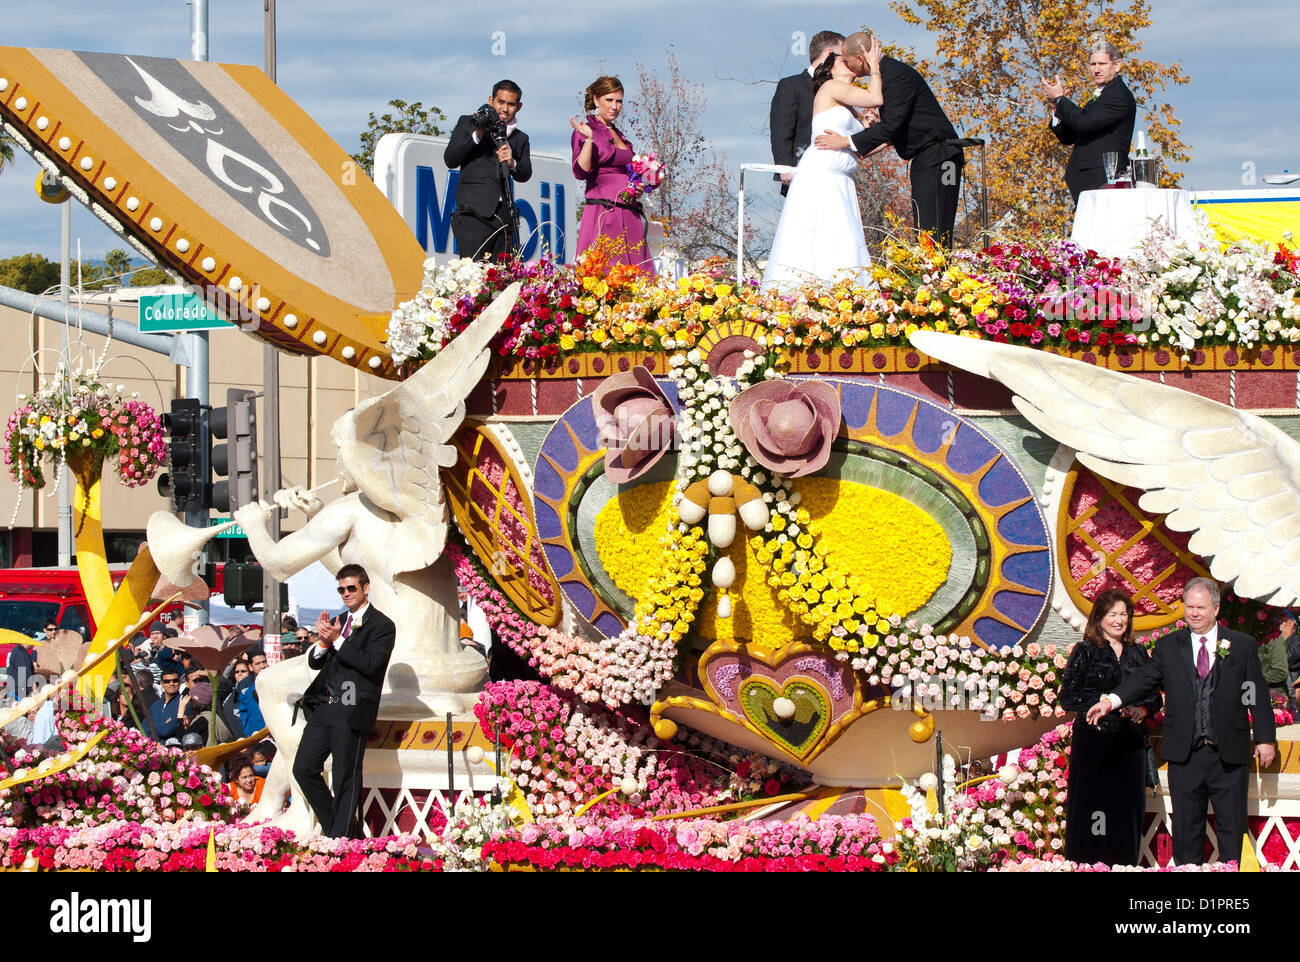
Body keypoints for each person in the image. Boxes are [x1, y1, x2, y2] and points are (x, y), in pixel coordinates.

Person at [1087, 578, 1277, 865]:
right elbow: (1143, 679)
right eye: (1190, 607)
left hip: (1229, 755)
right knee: (1187, 833)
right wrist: (1110, 701)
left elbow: (1257, 694)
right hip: (1185, 755)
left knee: (1231, 829)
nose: (1195, 613)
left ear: (1216, 608)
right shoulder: (1169, 646)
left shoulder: (1242, 645)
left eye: (1201, 607)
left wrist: (1264, 738)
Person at [814, 31, 964, 249]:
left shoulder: (896, 76)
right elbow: (894, 129)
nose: (847, 65)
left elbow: (891, 126)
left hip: (940, 157)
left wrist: (845, 142)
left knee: (934, 229)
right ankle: (934, 267)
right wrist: (865, 143)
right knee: (927, 229)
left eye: (847, 61)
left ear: (860, 59)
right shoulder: (888, 75)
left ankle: (938, 269)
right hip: (928, 158)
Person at [762, 41, 884, 292]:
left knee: (844, 240)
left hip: (842, 179)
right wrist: (874, 65)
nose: (848, 61)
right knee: (825, 237)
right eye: (842, 59)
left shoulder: (849, 106)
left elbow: (862, 148)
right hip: (822, 175)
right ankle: (815, 292)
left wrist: (880, 132)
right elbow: (875, 97)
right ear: (830, 68)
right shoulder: (830, 87)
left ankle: (845, 293)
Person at [293, 564, 396, 838]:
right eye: (341, 589)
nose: (346, 593)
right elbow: (316, 662)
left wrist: (338, 640)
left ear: (365, 588)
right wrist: (324, 642)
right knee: (303, 768)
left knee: (344, 777)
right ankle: (345, 831)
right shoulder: (338, 621)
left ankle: (339, 840)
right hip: (326, 705)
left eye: (351, 588)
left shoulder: (382, 625)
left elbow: (371, 664)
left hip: (353, 707)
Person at [1058, 589, 1160, 865]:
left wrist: (1141, 710)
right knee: (1092, 807)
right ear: (1099, 617)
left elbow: (1154, 697)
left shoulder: (1138, 653)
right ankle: (1087, 865)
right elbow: (1068, 697)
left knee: (1125, 810)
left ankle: (1123, 865)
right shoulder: (1085, 651)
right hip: (1095, 744)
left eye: (1123, 614)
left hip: (1130, 745)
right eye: (1112, 614)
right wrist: (1104, 700)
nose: (1119, 620)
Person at [570, 77, 657, 275]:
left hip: (629, 213)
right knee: (604, 275)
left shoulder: (619, 134)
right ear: (596, 100)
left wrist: (638, 186)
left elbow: (629, 171)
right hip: (604, 212)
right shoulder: (585, 130)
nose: (615, 106)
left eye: (619, 101)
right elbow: (580, 172)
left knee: (637, 277)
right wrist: (589, 139)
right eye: (609, 100)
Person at [1041, 38, 1137, 205]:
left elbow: (1084, 123)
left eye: (1102, 64)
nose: (1097, 69)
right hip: (1090, 184)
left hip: (1103, 181)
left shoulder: (1117, 95)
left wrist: (1060, 99)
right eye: (1093, 64)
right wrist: (1057, 108)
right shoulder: (1102, 94)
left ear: (1117, 65)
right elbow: (1069, 136)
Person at [444, 80, 531, 262]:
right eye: (501, 102)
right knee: (473, 274)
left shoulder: (520, 138)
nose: (505, 109)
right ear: (491, 100)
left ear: (519, 106)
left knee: (503, 276)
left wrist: (512, 162)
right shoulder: (468, 123)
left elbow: (525, 173)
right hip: (473, 214)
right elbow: (450, 159)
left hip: (504, 217)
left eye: (511, 104)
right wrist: (478, 134)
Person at [769, 30, 844, 197]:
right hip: (800, 174)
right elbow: (781, 129)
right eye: (843, 57)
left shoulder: (840, 90)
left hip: (833, 176)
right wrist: (785, 167)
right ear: (829, 54)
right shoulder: (792, 85)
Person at [149, 670, 186, 743]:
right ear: (161, 683)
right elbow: (145, 728)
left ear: (180, 682)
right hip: (154, 747)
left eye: (175, 681)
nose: (171, 684)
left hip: (175, 746)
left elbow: (166, 730)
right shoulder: (155, 706)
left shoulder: (184, 702)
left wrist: (154, 728)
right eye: (167, 681)